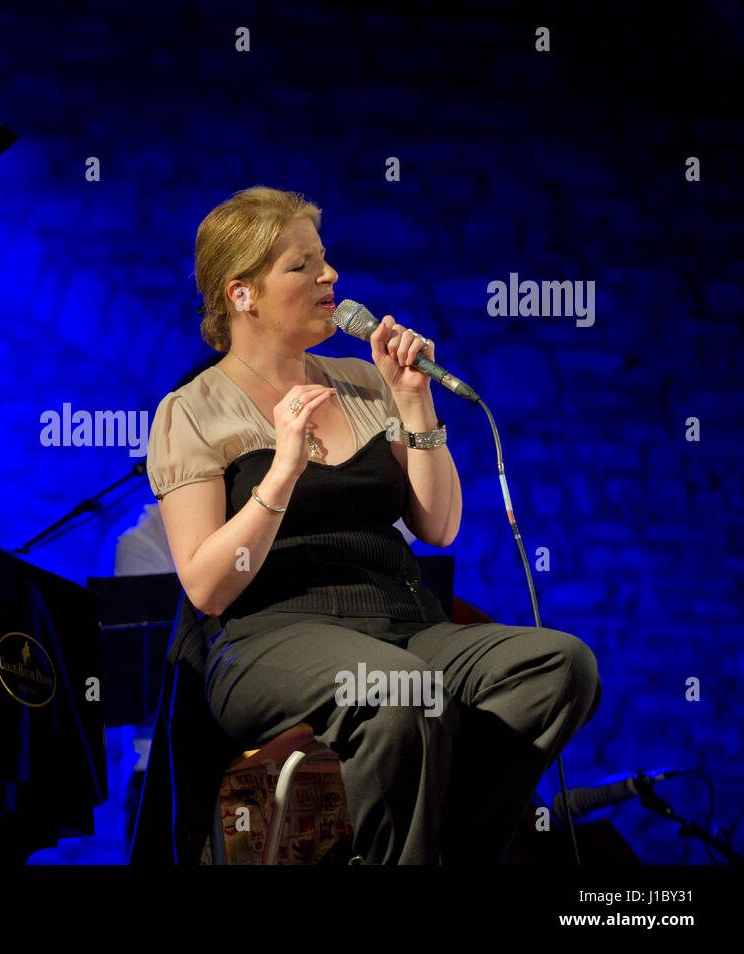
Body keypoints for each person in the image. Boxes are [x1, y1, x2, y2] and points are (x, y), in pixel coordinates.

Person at [132, 186, 600, 864]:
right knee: (397, 693)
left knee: (558, 667)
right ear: (242, 294)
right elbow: (207, 587)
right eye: (303, 265)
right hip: (270, 639)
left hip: (402, 622)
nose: (331, 277)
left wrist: (414, 403)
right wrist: (282, 471)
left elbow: (438, 526)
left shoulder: (362, 381)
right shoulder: (193, 410)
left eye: (325, 259)